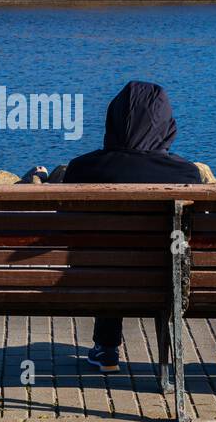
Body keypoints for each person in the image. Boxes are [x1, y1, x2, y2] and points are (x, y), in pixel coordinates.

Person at [63, 80, 201, 371]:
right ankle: (167, 365)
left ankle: (107, 347)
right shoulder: (186, 175)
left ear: (112, 121)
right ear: (166, 125)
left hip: (90, 278)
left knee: (109, 252)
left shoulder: (82, 168)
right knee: (152, 257)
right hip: (165, 280)